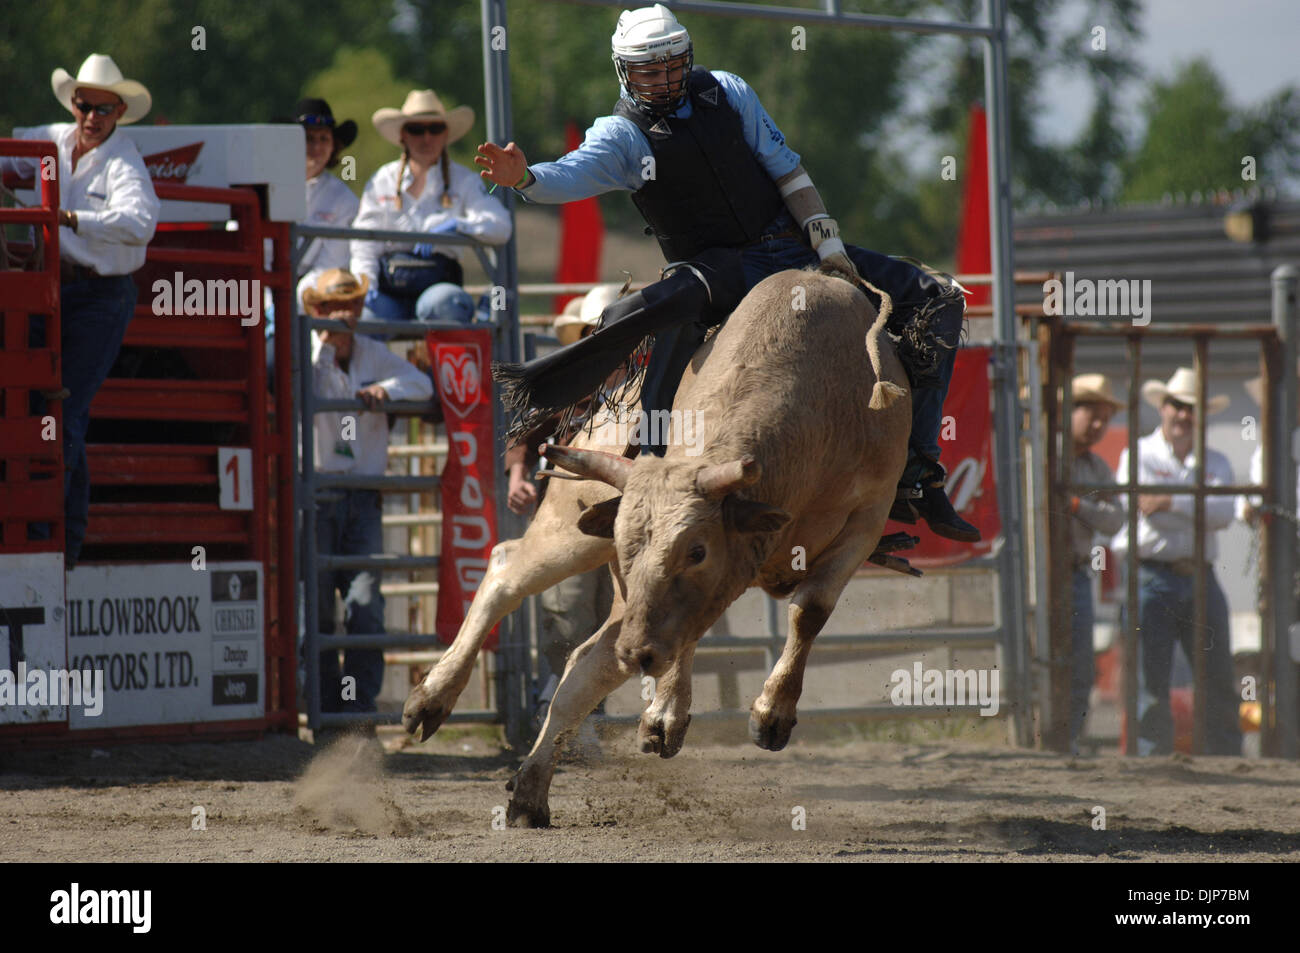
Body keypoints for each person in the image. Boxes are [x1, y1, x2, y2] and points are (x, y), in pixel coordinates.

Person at [475, 3, 976, 541]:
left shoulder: (730, 91)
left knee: (940, 299)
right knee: (647, 310)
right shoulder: (622, 135)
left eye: (673, 64)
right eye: (650, 69)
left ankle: (918, 471)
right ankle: (620, 440)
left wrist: (826, 241)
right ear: (625, 70)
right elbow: (571, 173)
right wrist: (525, 176)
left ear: (687, 57)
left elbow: (788, 169)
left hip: (792, 246)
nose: (666, 78)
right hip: (717, 269)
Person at [2, 53, 159, 569]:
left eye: (104, 109)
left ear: (118, 114)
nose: (93, 116)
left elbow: (140, 223)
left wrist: (70, 218)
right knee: (62, 411)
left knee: (61, 411)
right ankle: (60, 539)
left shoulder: (124, 161)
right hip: (56, 289)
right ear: (75, 103)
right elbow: (11, 155)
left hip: (100, 294)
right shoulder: (51, 139)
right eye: (86, 105)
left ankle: (48, 539)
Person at [307, 268, 434, 713]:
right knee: (319, 609)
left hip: (360, 498)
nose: (347, 314)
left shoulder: (373, 354)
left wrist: (386, 388)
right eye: (336, 306)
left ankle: (355, 711)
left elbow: (421, 385)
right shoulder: (305, 357)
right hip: (317, 497)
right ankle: (326, 710)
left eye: (353, 305)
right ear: (317, 311)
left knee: (364, 608)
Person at [1110, 368, 1242, 756]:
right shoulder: (1139, 453)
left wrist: (1170, 501)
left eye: (1191, 408)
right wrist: (1194, 504)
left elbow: (1223, 513)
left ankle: (1223, 757)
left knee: (1216, 674)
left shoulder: (1209, 458)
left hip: (1194, 575)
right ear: (1163, 408)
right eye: (1178, 406)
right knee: (1152, 676)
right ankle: (1155, 756)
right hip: (1155, 573)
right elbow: (1135, 503)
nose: (1184, 415)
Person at [350, 89, 511, 326]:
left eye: (434, 129)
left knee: (446, 304)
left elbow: (501, 226)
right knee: (362, 317)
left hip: (438, 288)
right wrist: (366, 288)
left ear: (445, 134)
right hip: (388, 290)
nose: (426, 138)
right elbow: (364, 245)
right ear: (403, 135)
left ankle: (436, 364)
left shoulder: (465, 180)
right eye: (416, 129)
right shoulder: (381, 179)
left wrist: (458, 225)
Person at [266, 97, 361, 374]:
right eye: (308, 139)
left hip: (311, 307)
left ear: (334, 146)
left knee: (288, 368)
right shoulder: (263, 186)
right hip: (256, 300)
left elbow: (329, 269)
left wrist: (286, 301)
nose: (317, 147)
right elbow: (247, 249)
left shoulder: (343, 199)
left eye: (323, 138)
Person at [1063, 374, 1126, 754]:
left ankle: (1070, 738)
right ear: (1071, 411)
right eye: (1092, 414)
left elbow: (1116, 518)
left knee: (1081, 664)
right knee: (1050, 658)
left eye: (1105, 418)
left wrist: (1076, 506)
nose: (1099, 425)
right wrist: (1090, 509)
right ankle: (1052, 737)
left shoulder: (1094, 466)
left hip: (1073, 570)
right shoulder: (1044, 453)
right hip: (1042, 576)